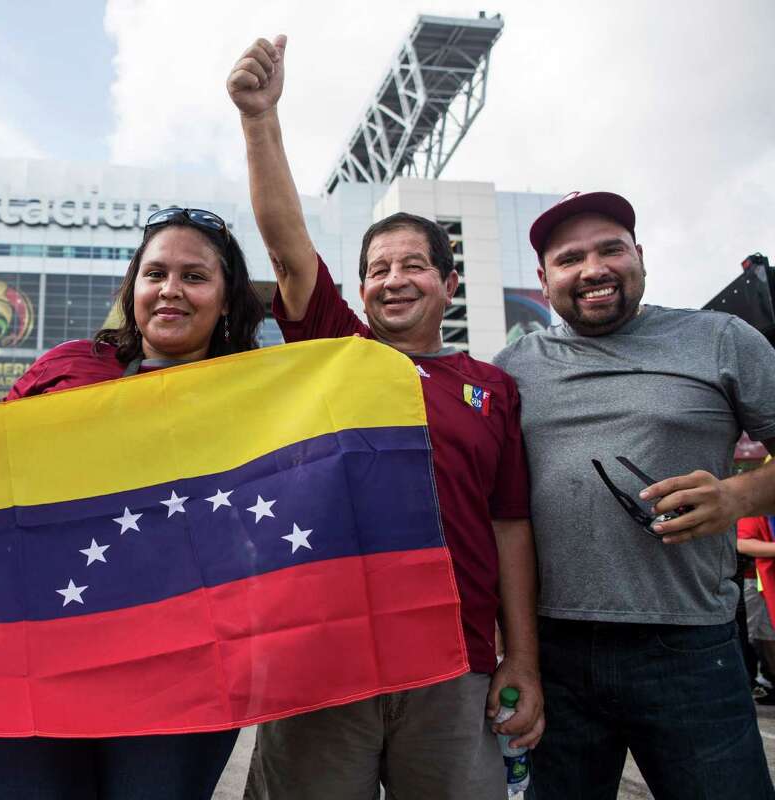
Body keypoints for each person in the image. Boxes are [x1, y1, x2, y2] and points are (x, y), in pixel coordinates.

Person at [227, 36, 542, 800]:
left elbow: (510, 528)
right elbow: (286, 247)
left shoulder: (492, 390)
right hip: (326, 663)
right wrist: (260, 120)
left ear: (448, 282)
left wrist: (522, 660)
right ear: (362, 291)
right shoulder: (337, 349)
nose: (393, 280)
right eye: (377, 270)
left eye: (412, 266)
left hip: (455, 667)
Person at [494, 190, 775, 799]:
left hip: (690, 648)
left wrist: (737, 497)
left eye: (610, 249)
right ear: (544, 281)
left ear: (639, 256)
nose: (593, 269)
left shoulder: (721, 339)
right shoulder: (512, 369)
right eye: (570, 259)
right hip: (553, 652)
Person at [0, 206, 265, 799]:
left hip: (187, 677)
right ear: (133, 286)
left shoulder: (263, 391)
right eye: (155, 273)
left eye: (194, 276)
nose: (170, 291)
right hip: (49, 659)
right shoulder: (66, 367)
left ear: (228, 297)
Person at [739, 514, 775, 698]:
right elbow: (743, 543)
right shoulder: (758, 507)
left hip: (762, 580)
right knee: (753, 634)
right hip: (755, 579)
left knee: (765, 634)